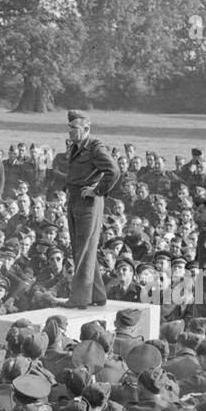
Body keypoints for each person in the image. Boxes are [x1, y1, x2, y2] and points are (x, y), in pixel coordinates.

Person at [63, 110, 120, 307]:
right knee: (82, 249)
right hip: (75, 202)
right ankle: (97, 294)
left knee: (84, 249)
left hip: (88, 204)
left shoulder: (95, 147)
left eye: (74, 128)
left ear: (86, 129)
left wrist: (97, 191)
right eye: (69, 127)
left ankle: (79, 298)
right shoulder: (77, 147)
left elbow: (113, 171)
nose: (70, 131)